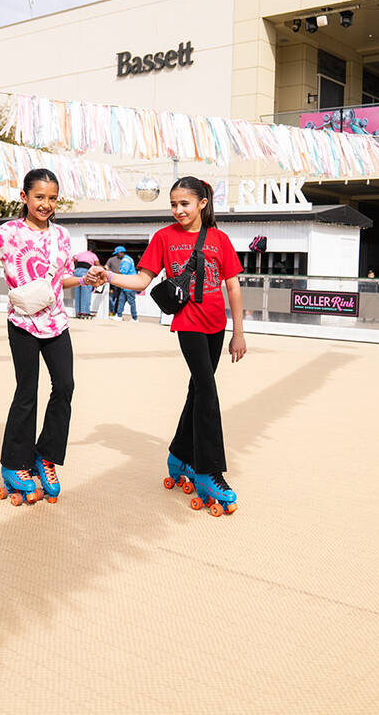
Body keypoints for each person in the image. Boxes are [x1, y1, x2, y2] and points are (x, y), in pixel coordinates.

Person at [88, 176, 247, 516]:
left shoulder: (220, 239)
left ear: (202, 203)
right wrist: (110, 276)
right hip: (188, 323)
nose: (178, 210)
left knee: (197, 391)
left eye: (184, 204)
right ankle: (208, 470)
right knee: (207, 389)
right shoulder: (164, 238)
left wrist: (239, 332)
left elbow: (232, 287)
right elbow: (143, 279)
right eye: (173, 204)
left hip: (217, 325)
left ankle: (179, 455)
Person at [0, 168, 83, 506]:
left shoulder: (62, 236)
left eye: (52, 198)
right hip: (22, 321)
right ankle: (14, 463)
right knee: (27, 391)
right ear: (24, 197)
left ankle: (45, 456)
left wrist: (83, 280)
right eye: (40, 197)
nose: (46, 204)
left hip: (56, 321)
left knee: (65, 386)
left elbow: (60, 279)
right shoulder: (8, 232)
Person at [113, 248, 139, 321]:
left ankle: (135, 318)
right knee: (121, 300)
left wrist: (111, 274)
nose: (117, 256)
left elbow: (123, 272)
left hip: (129, 284)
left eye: (117, 254)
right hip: (126, 284)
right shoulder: (128, 259)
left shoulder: (125, 260)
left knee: (131, 301)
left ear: (121, 252)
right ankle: (119, 316)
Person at [105, 247, 126, 317]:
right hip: (112, 282)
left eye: (118, 253)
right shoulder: (111, 259)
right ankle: (111, 312)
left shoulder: (125, 260)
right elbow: (106, 267)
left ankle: (116, 313)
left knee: (119, 298)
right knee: (111, 298)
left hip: (122, 281)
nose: (117, 254)